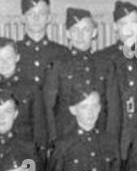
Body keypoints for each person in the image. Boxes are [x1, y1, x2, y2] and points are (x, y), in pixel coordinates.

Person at [43, 8, 118, 145]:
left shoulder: (105, 64)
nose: (80, 35)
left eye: (85, 30)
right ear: (68, 34)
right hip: (66, 137)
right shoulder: (57, 65)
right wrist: (54, 142)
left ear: (94, 32)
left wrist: (110, 141)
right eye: (75, 30)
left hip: (98, 137)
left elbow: (112, 107)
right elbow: (49, 107)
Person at [97, 0, 137, 160]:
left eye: (134, 23)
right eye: (124, 24)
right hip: (112, 135)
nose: (129, 29)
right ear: (115, 27)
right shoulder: (101, 58)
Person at [45, 85, 120, 171]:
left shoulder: (109, 142)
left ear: (100, 108)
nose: (91, 113)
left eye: (94, 106)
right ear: (73, 110)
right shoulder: (62, 146)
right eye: (84, 107)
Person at [0, 37, 48, 147]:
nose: (4, 62)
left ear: (17, 57)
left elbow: (39, 129)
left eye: (9, 57)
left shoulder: (31, 88)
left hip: (24, 151)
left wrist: (37, 156)